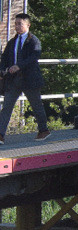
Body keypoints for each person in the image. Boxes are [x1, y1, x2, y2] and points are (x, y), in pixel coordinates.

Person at [0, 13, 49, 144]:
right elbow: (4, 58)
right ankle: (0, 134)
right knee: (7, 106)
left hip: (29, 79)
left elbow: (34, 56)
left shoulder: (34, 40)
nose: (17, 26)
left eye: (19, 24)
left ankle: (43, 130)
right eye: (15, 24)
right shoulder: (12, 42)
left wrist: (19, 66)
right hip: (14, 80)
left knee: (36, 105)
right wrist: (3, 71)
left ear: (28, 25)